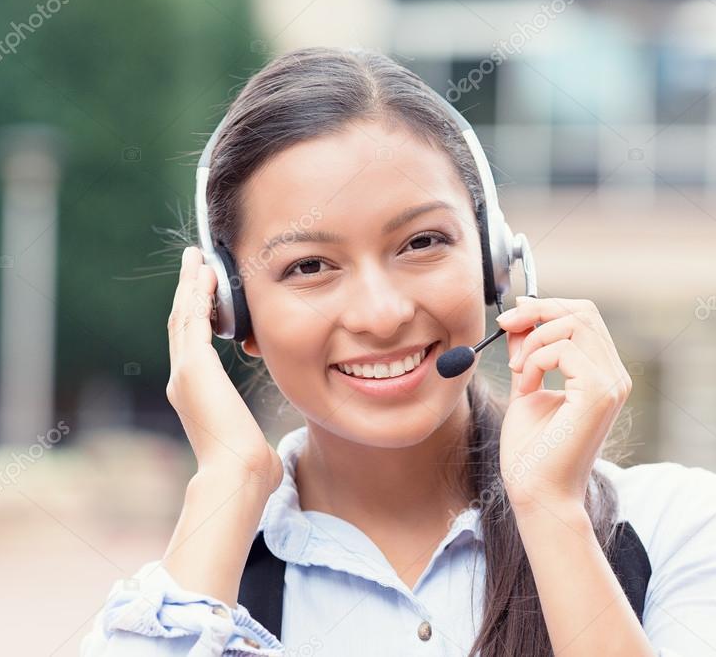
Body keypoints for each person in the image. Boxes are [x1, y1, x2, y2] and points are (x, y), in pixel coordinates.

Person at [80, 46, 716, 656]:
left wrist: (551, 513)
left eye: (421, 243)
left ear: (494, 261)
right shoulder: (189, 598)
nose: (382, 315)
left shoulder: (669, 529)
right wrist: (227, 482)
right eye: (309, 266)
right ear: (230, 310)